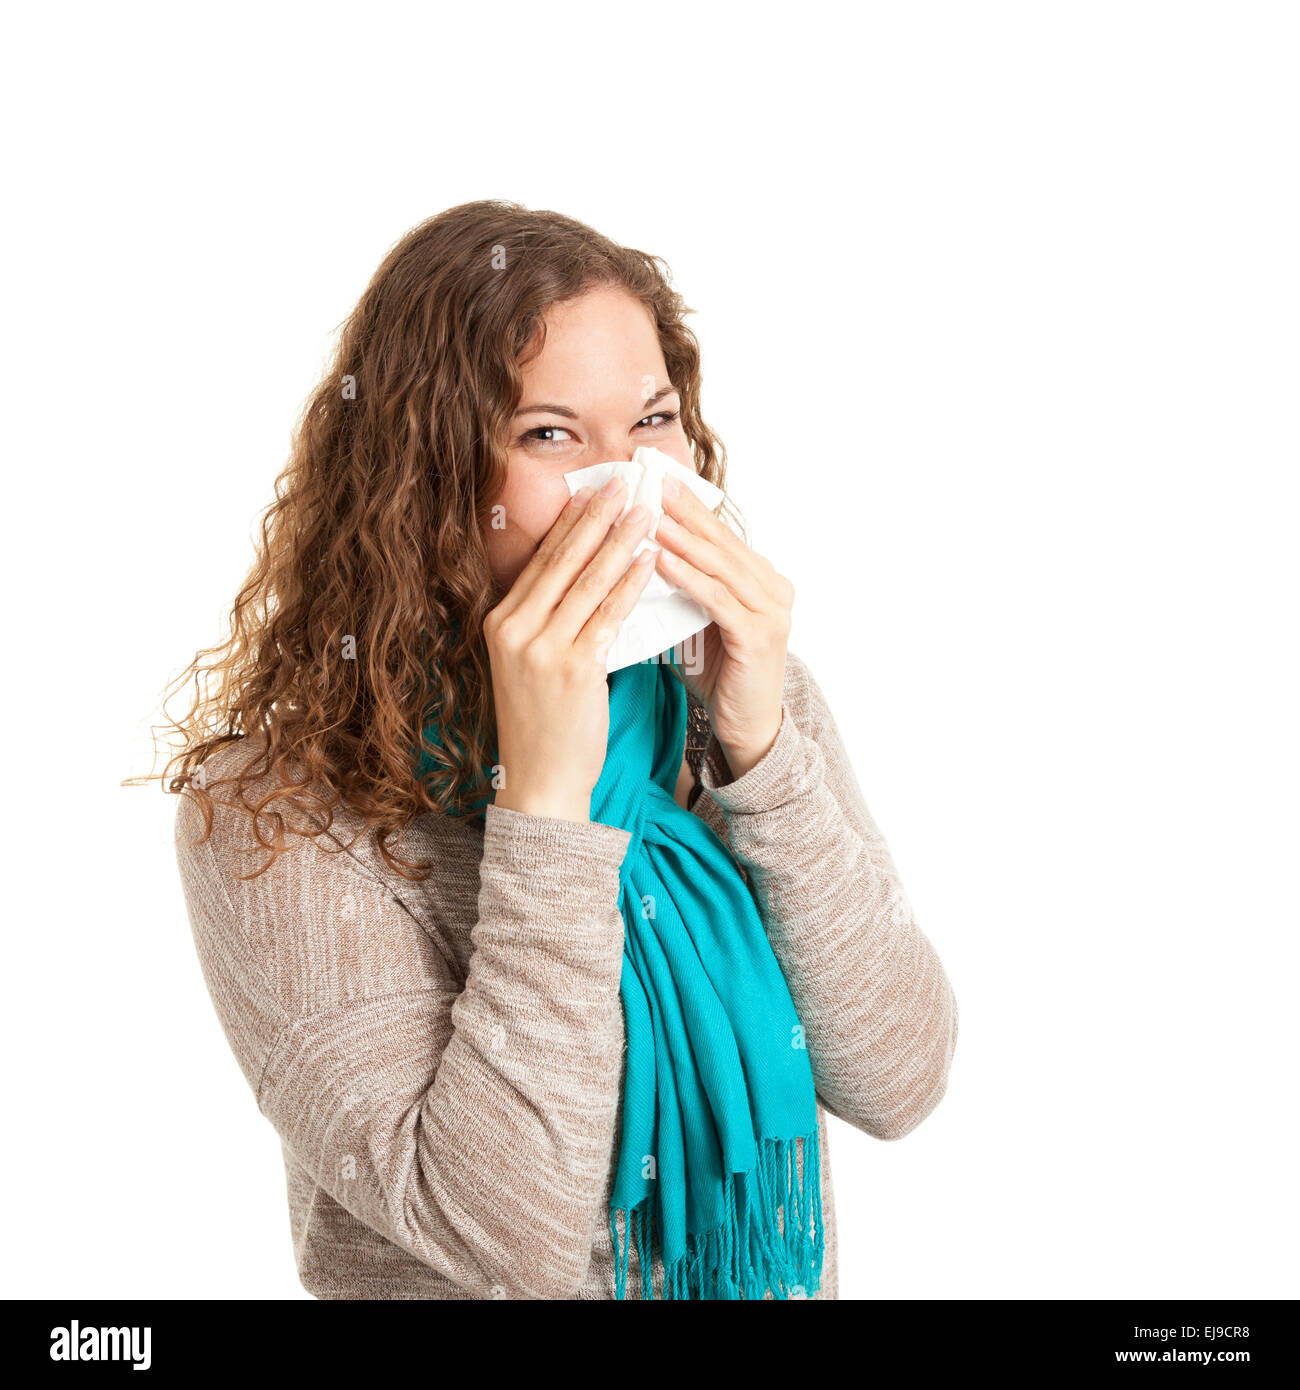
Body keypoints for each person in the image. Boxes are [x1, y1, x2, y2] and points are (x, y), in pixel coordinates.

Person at [164, 199, 958, 1300]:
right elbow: (504, 1242)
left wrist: (762, 749)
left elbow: (900, 1077)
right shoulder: (275, 814)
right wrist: (545, 805)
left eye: (654, 422)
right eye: (550, 434)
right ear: (430, 486)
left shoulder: (726, 697)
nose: (631, 485)